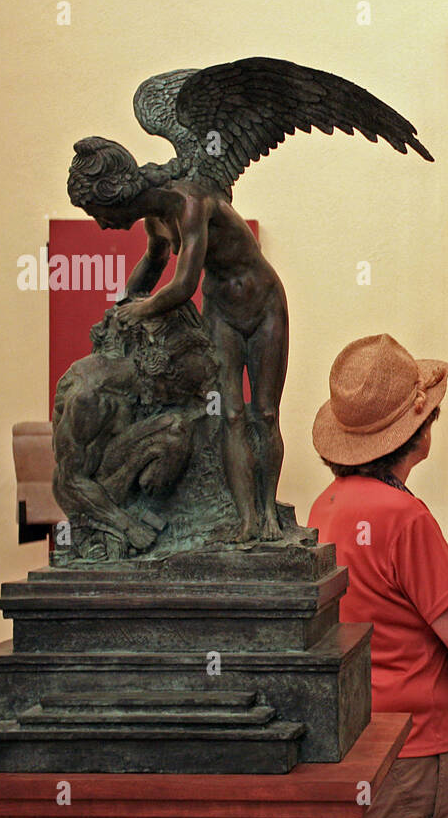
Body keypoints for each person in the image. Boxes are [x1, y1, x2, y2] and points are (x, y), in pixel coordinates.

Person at [308, 333, 448, 818]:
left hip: (348, 745)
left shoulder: (325, 505)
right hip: (413, 753)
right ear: (417, 432)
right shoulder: (405, 517)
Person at [67, 136, 287, 544]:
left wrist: (142, 309)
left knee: (266, 414)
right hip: (221, 309)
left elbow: (184, 284)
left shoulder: (190, 204)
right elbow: (153, 264)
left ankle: (270, 512)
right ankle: (247, 520)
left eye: (101, 215)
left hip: (265, 304)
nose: (102, 226)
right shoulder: (157, 219)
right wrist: (123, 305)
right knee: (231, 416)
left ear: (119, 199)